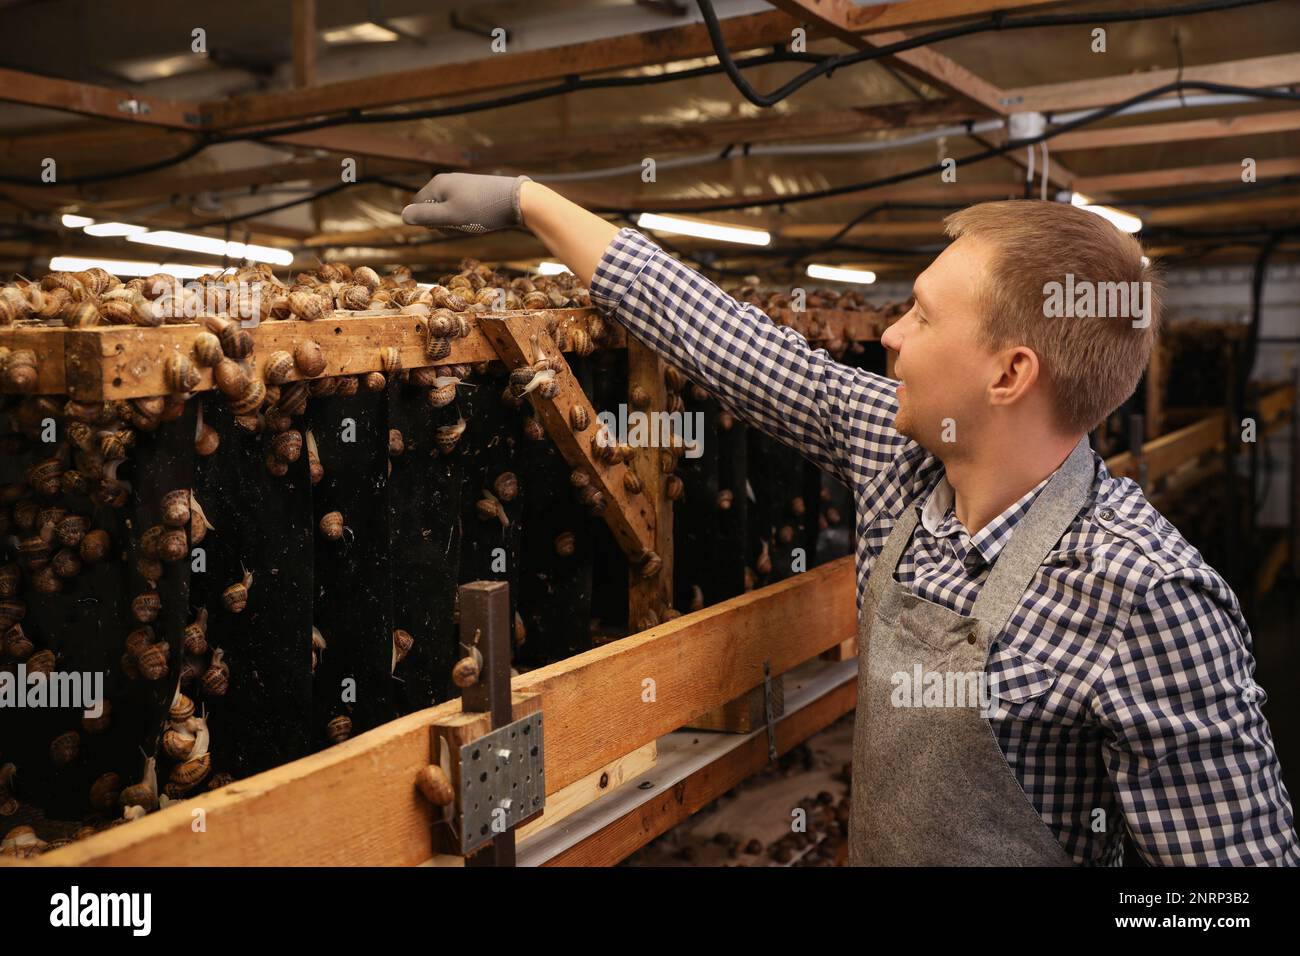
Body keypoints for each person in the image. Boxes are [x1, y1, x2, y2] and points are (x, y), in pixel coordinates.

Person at [402, 173, 1299, 867]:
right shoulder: (904, 459)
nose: (891, 336)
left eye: (921, 314)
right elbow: (728, 340)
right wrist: (529, 201)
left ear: (1009, 376)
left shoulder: (1148, 597)